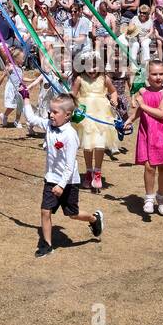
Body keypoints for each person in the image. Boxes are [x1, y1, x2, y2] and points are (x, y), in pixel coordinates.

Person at [21, 90, 104, 257]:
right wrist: (26, 99)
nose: (51, 115)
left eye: (55, 112)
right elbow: (31, 119)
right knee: (45, 211)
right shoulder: (49, 126)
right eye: (50, 111)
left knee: (72, 214)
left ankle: (94, 219)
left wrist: (61, 185)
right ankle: (47, 245)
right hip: (51, 179)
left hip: (68, 182)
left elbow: (70, 165)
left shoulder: (70, 135)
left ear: (67, 115)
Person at [125, 59, 163, 217]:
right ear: (148, 75)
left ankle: (161, 197)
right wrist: (130, 119)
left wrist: (142, 105)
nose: (158, 77)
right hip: (147, 133)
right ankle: (149, 198)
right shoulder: (143, 92)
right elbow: (140, 111)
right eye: (154, 74)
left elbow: (161, 113)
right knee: (149, 166)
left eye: (161, 74)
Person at [72, 66, 119, 192]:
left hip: (102, 115)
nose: (91, 69)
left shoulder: (105, 79)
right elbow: (73, 95)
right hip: (86, 116)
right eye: (88, 66)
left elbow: (113, 91)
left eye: (95, 66)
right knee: (87, 145)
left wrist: (114, 99)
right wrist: (73, 103)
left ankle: (97, 171)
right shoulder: (79, 79)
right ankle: (88, 171)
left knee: (100, 144)